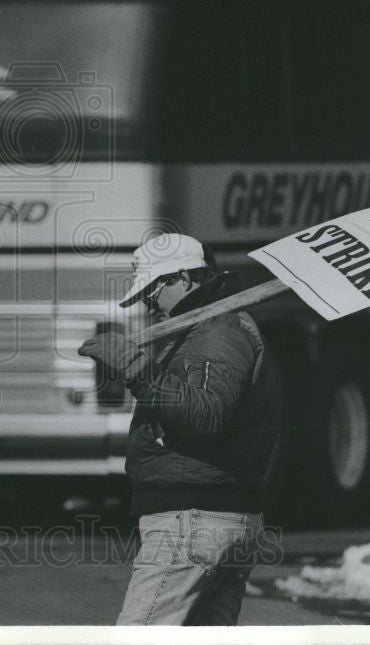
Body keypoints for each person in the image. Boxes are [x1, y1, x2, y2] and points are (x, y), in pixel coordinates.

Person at [78, 233, 282, 626]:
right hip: (209, 517)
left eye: (154, 291)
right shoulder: (204, 330)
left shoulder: (219, 333)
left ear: (185, 279)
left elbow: (204, 416)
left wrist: (136, 369)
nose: (150, 304)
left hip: (195, 521)